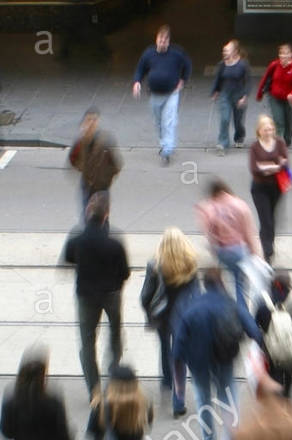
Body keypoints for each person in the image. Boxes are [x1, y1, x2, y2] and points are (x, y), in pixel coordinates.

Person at [172, 268, 260, 440]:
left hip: (198, 364)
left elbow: (177, 350)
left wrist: (178, 386)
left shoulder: (192, 308)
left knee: (203, 399)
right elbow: (254, 331)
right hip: (224, 361)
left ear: (204, 284)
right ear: (221, 283)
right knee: (228, 399)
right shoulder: (230, 304)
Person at [63, 192, 129, 396]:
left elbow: (68, 258)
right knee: (115, 333)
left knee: (87, 342)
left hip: (85, 295)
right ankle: (113, 371)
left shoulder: (77, 239)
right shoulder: (115, 243)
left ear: (88, 212)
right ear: (106, 215)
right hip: (111, 294)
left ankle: (94, 388)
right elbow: (124, 273)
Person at [140, 227, 198, 417]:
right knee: (179, 355)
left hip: (162, 315)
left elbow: (145, 296)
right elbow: (197, 293)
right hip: (183, 316)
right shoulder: (190, 263)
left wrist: (149, 311)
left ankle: (166, 380)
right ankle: (178, 398)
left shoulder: (154, 265)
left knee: (164, 346)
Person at [195, 179, 262, 318]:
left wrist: (214, 247)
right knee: (240, 286)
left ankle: (224, 311)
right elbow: (249, 234)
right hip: (239, 251)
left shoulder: (209, 207)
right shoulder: (240, 205)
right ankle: (242, 317)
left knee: (221, 283)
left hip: (221, 251)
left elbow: (207, 233)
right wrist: (257, 255)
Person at [132, 25, 192, 165]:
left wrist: (183, 80)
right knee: (159, 123)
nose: (163, 42)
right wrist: (137, 82)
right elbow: (140, 69)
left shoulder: (176, 53)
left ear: (169, 41)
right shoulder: (149, 53)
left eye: (165, 40)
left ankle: (167, 150)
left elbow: (187, 64)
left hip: (172, 93)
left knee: (169, 122)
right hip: (155, 95)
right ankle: (164, 143)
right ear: (156, 39)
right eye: (161, 39)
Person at [253, 269, 292, 397]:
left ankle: (274, 410)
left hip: (269, 353)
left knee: (273, 390)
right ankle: (285, 406)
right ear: (290, 283)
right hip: (291, 352)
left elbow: (254, 327)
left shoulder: (263, 301)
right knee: (287, 392)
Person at [67, 108, 122, 221]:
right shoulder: (81, 142)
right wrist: (82, 167)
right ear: (84, 122)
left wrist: (107, 177)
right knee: (87, 216)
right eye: (89, 120)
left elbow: (115, 164)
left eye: (94, 120)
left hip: (102, 186)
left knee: (102, 218)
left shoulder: (105, 140)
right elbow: (73, 159)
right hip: (87, 184)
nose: (91, 123)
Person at [249, 115, 290, 264]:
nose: (269, 132)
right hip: (259, 188)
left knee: (271, 219)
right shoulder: (255, 147)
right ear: (259, 131)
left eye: (271, 129)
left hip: (276, 187)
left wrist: (266, 167)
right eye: (265, 129)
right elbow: (254, 168)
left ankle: (269, 245)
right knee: (265, 219)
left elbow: (285, 163)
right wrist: (274, 165)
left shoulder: (279, 142)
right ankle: (267, 252)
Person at [256, 43, 292, 146]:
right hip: (275, 97)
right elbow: (265, 78)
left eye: (286, 53)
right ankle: (278, 142)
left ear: (291, 54)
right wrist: (259, 94)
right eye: (281, 53)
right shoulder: (274, 65)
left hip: (289, 99)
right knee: (278, 120)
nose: (283, 56)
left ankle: (287, 140)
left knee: (288, 120)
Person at [210, 40, 250, 155]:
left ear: (235, 52)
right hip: (225, 95)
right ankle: (222, 144)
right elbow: (218, 79)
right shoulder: (222, 64)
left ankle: (239, 136)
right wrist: (215, 91)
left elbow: (248, 82)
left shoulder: (243, 64)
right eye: (224, 50)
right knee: (225, 118)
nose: (224, 52)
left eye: (227, 50)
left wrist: (244, 96)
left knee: (238, 121)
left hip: (239, 95)